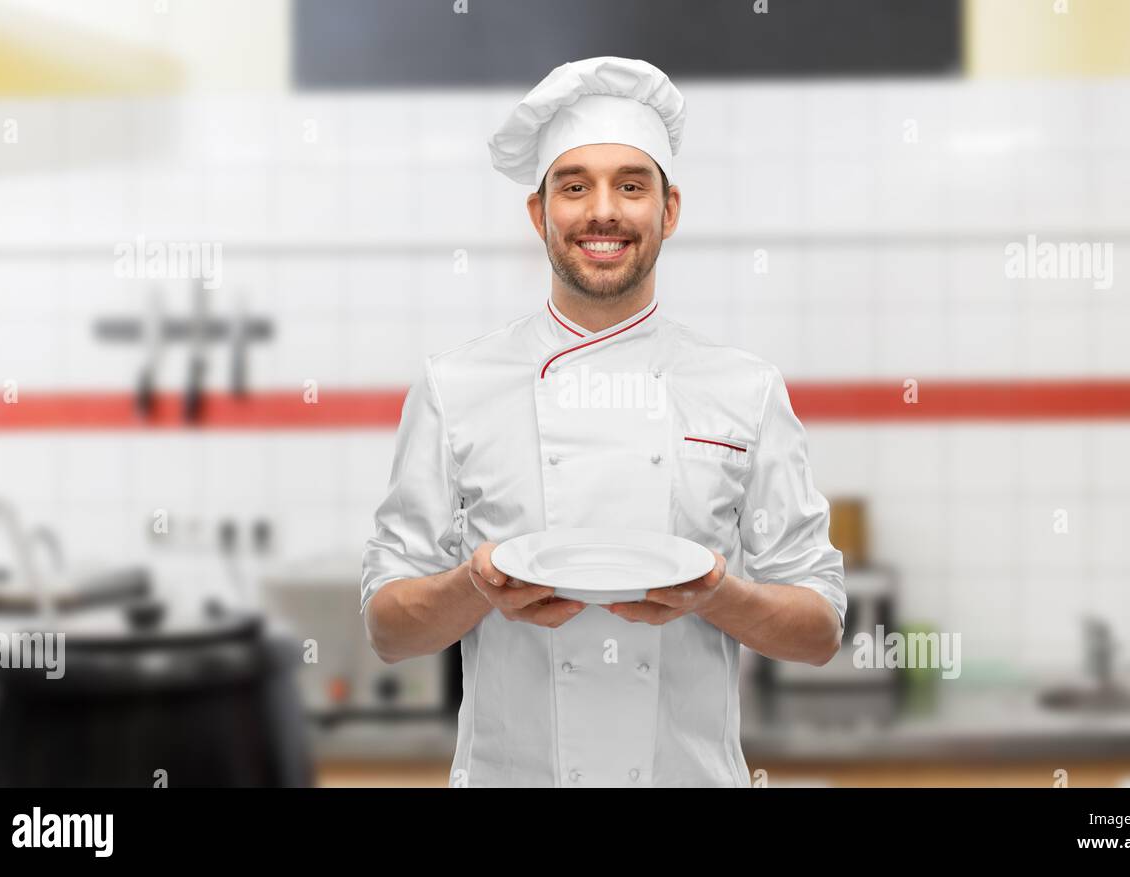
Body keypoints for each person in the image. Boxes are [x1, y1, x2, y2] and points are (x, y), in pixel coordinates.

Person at [360, 56, 847, 787]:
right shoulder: (454, 385)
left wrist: (719, 594)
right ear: (539, 213)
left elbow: (820, 632)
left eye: (631, 184)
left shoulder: (743, 387)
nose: (603, 212)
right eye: (574, 185)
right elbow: (387, 629)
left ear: (669, 210)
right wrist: (475, 586)